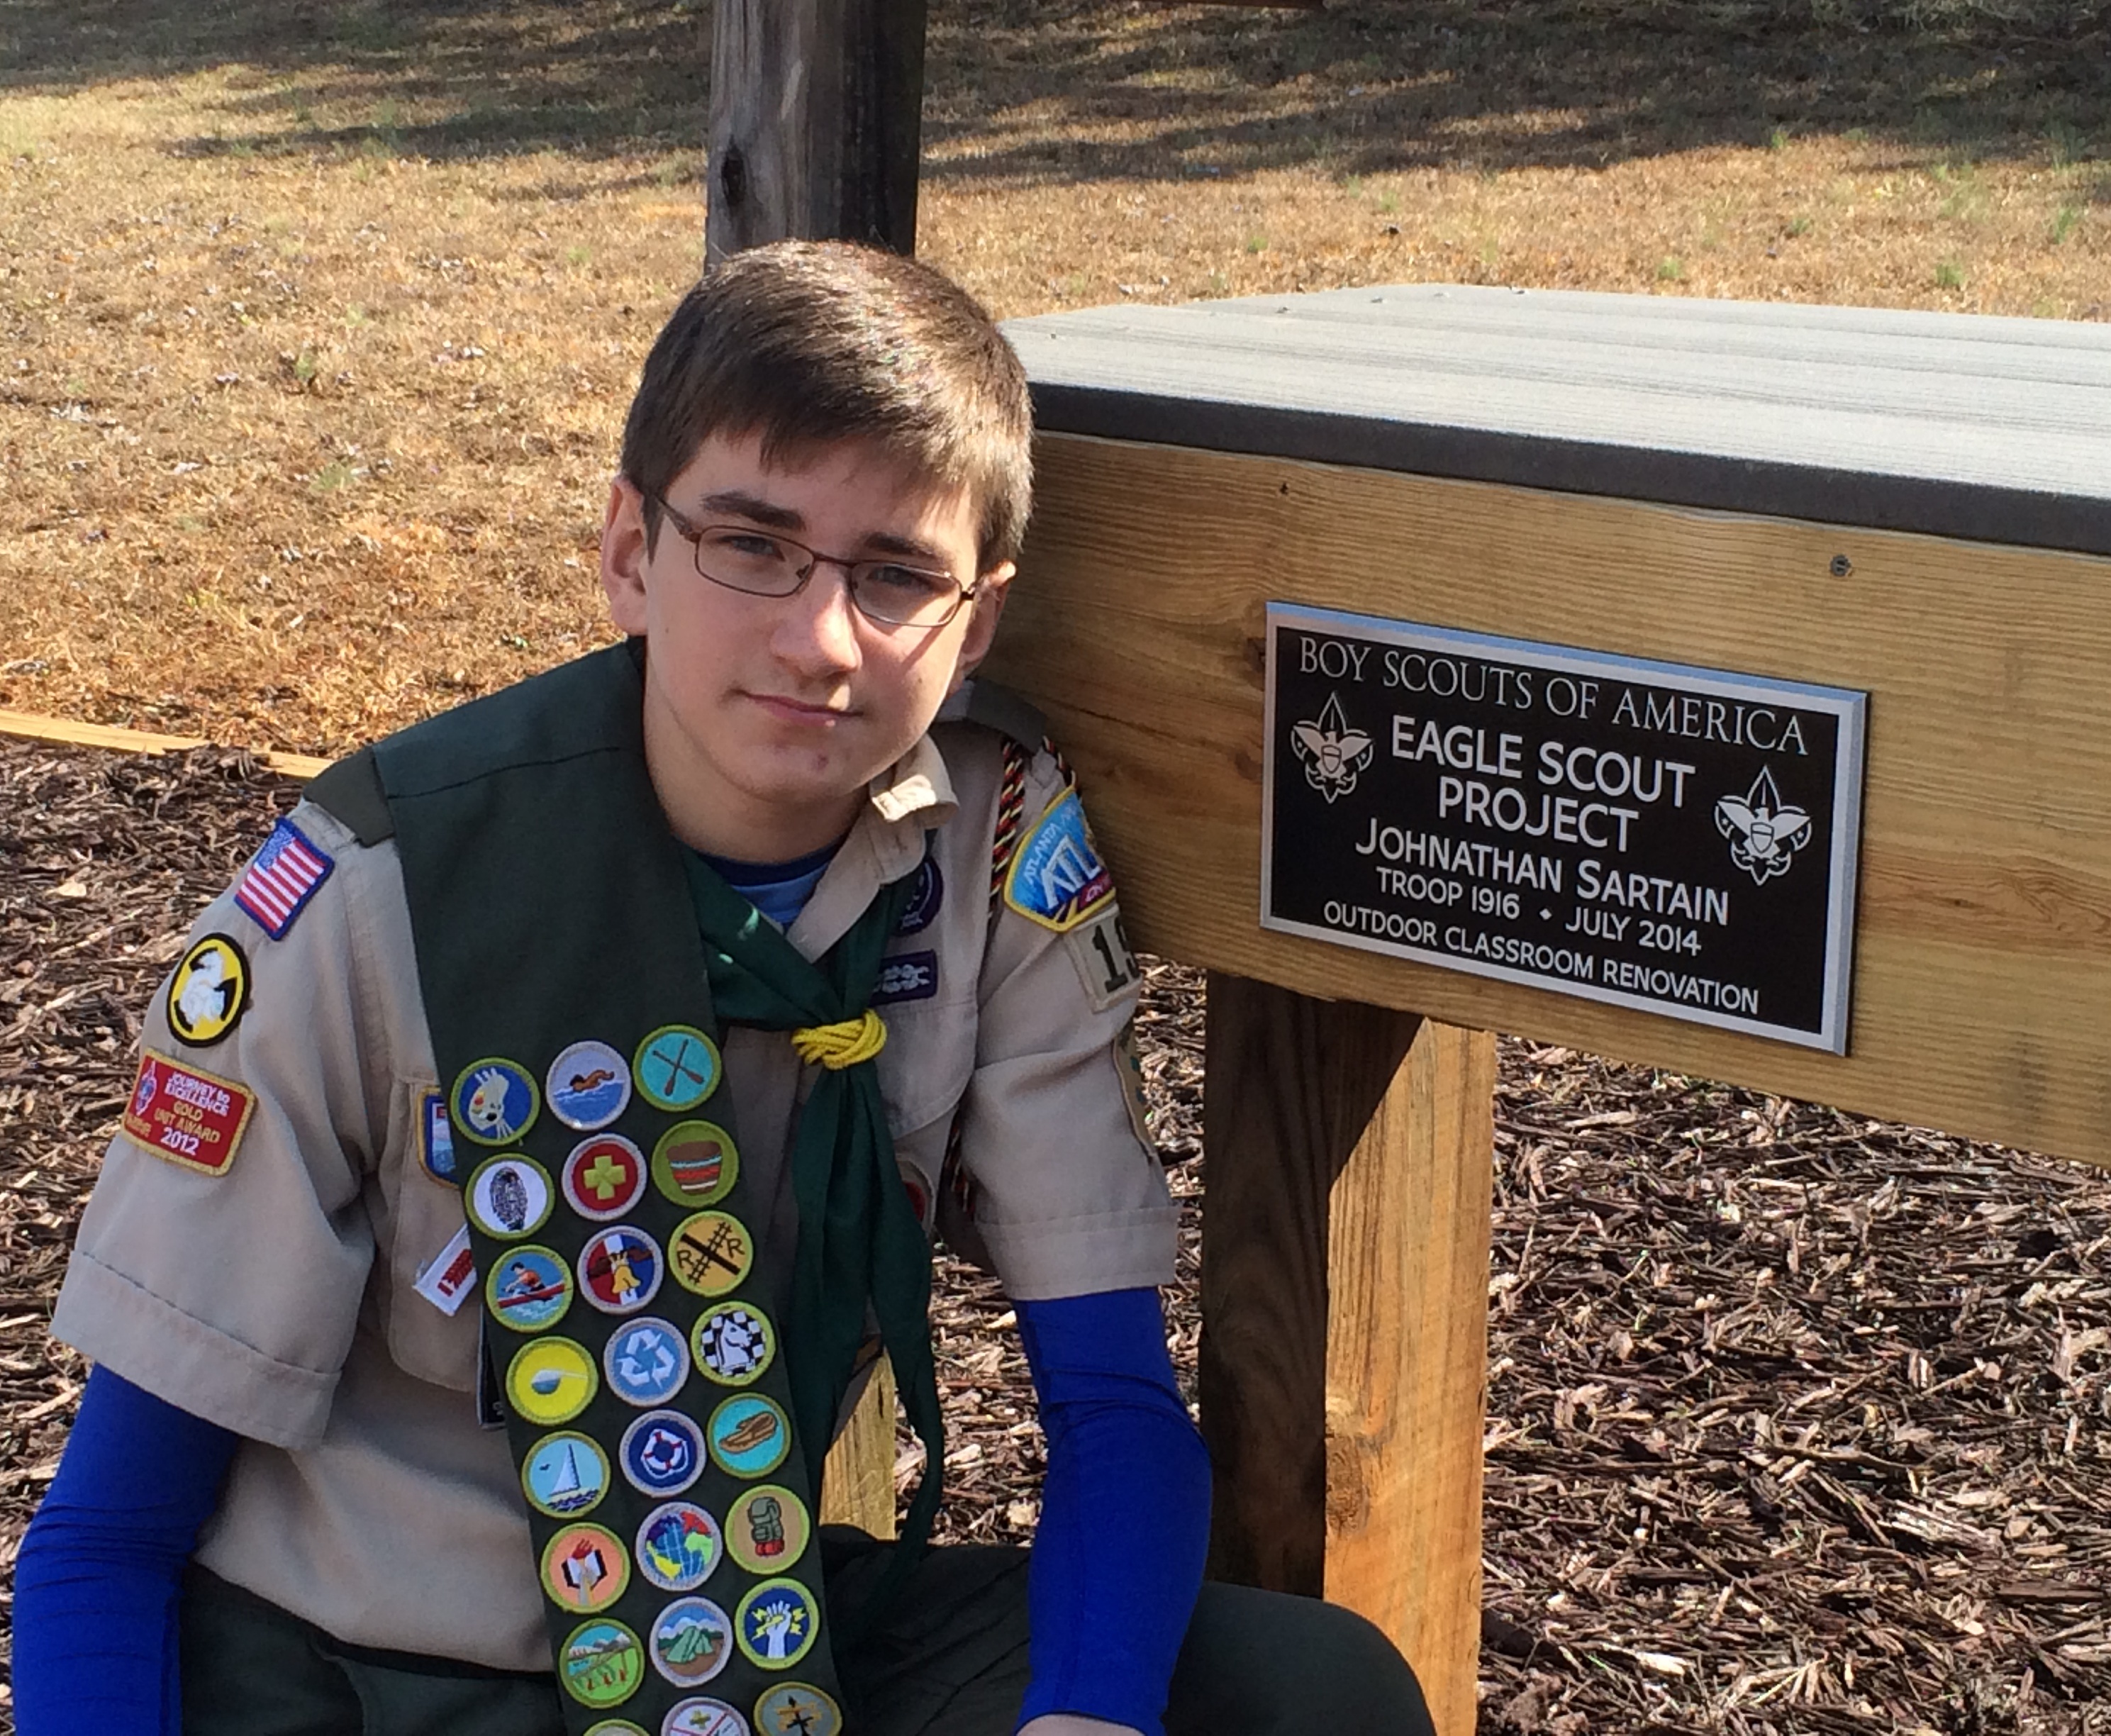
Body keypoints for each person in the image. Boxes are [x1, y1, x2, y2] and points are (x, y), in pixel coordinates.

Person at [13, 242, 1435, 1736]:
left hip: (742, 1631)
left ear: (978, 620)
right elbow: (106, 1533)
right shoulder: (386, 884)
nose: (820, 640)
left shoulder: (991, 851)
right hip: (364, 1669)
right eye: (754, 544)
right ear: (632, 551)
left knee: (1302, 1697)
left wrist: (1089, 1717)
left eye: (897, 576)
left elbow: (1112, 1406)